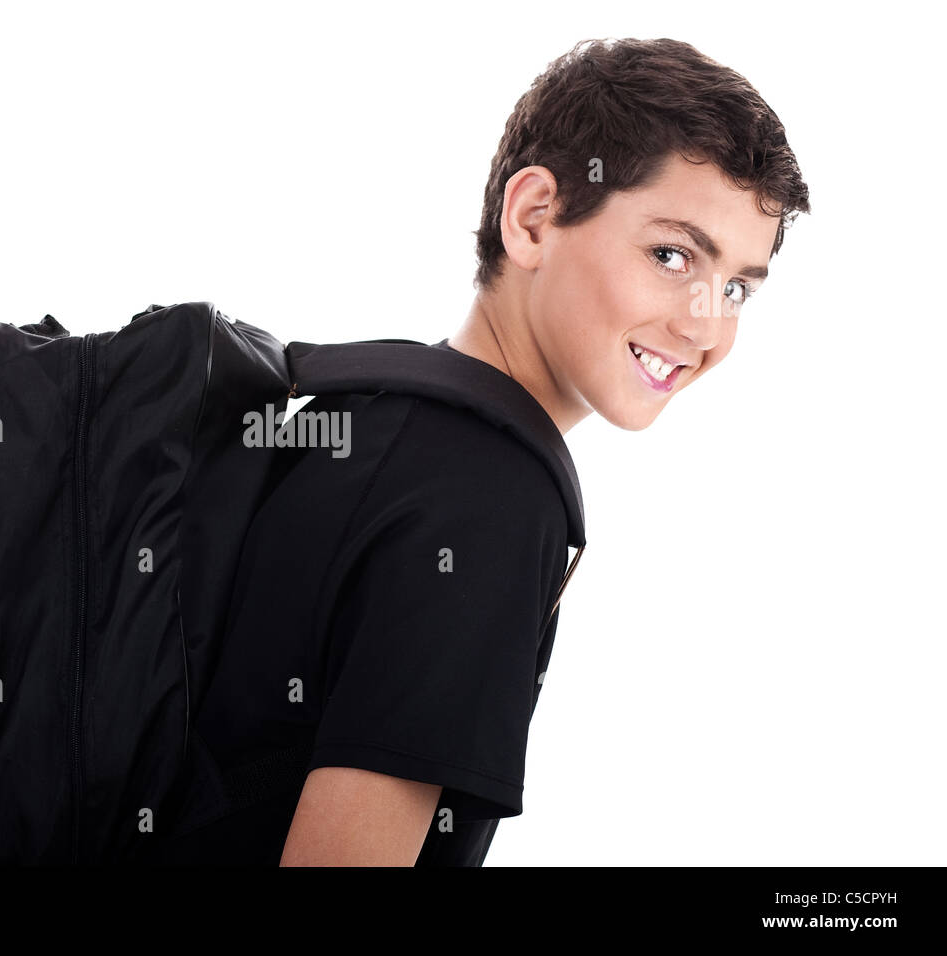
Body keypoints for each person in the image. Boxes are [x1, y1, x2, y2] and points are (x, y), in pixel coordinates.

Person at [151, 36, 811, 866]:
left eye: (738, 288)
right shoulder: (489, 500)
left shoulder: (369, 415)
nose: (705, 326)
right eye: (671, 255)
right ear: (533, 217)